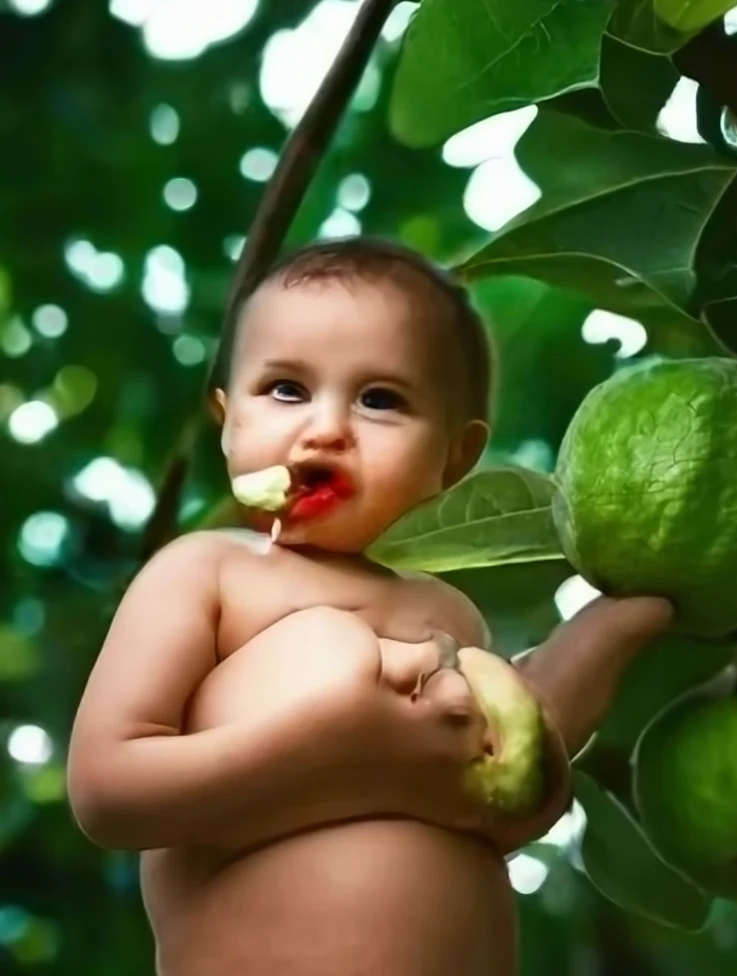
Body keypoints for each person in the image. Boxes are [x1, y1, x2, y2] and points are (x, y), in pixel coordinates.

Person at [66, 238, 674, 976]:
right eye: (286, 389)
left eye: (379, 399)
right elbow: (107, 790)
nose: (325, 428)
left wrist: (620, 616)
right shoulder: (210, 573)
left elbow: (511, 765)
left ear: (455, 457)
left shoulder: (451, 617)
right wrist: (333, 749)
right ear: (228, 422)